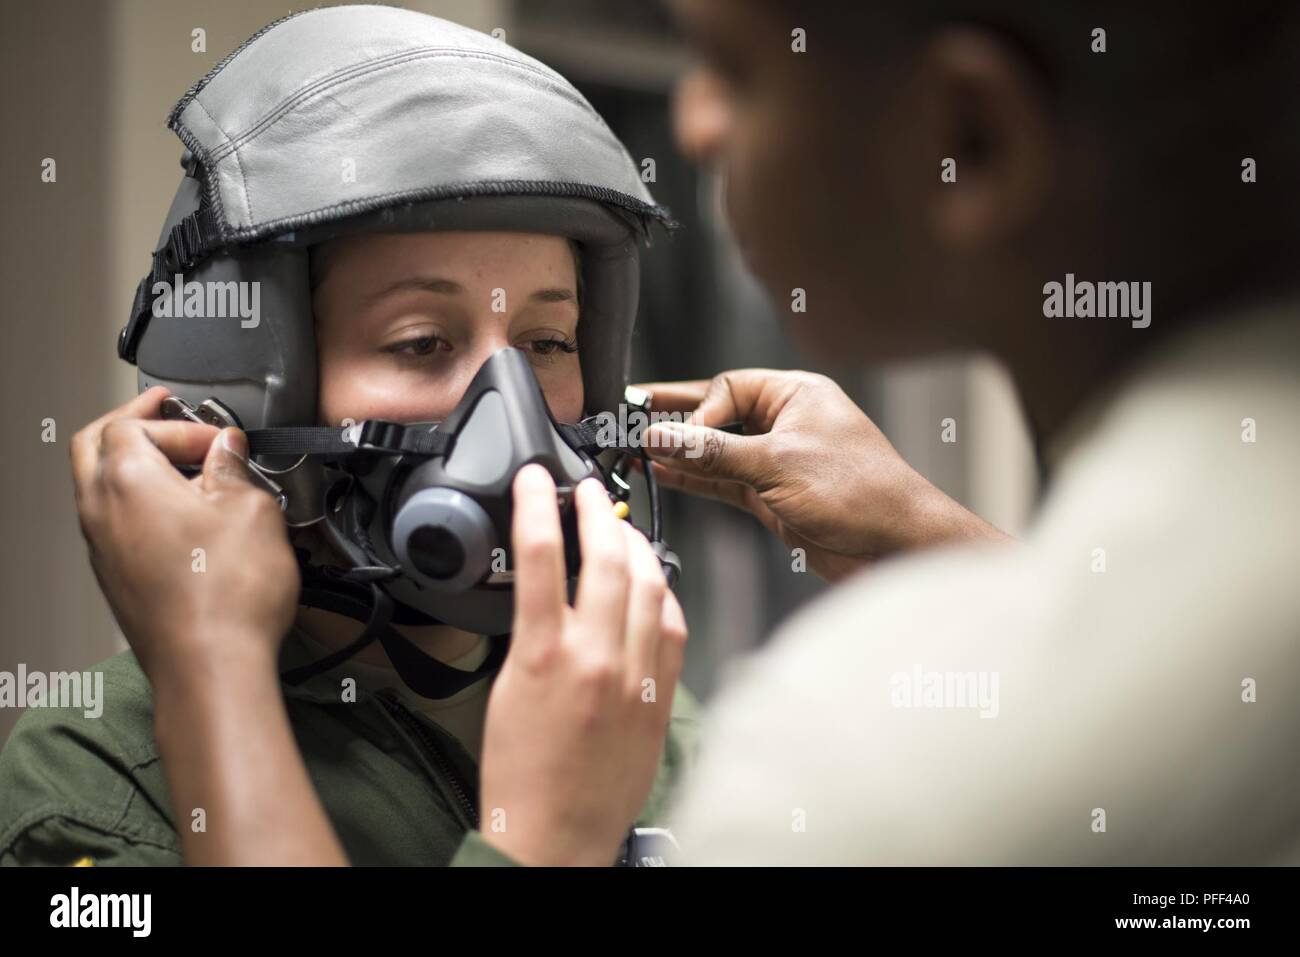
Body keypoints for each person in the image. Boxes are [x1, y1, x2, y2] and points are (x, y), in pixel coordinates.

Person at [0, 7, 694, 867]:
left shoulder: (633, 698)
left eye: (547, 343)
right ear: (240, 396)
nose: (510, 411)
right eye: (420, 343)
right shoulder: (98, 782)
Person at [634, 0, 1299, 864]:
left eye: (734, 71)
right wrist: (937, 537)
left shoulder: (850, 780)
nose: (692, 126)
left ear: (973, 141)